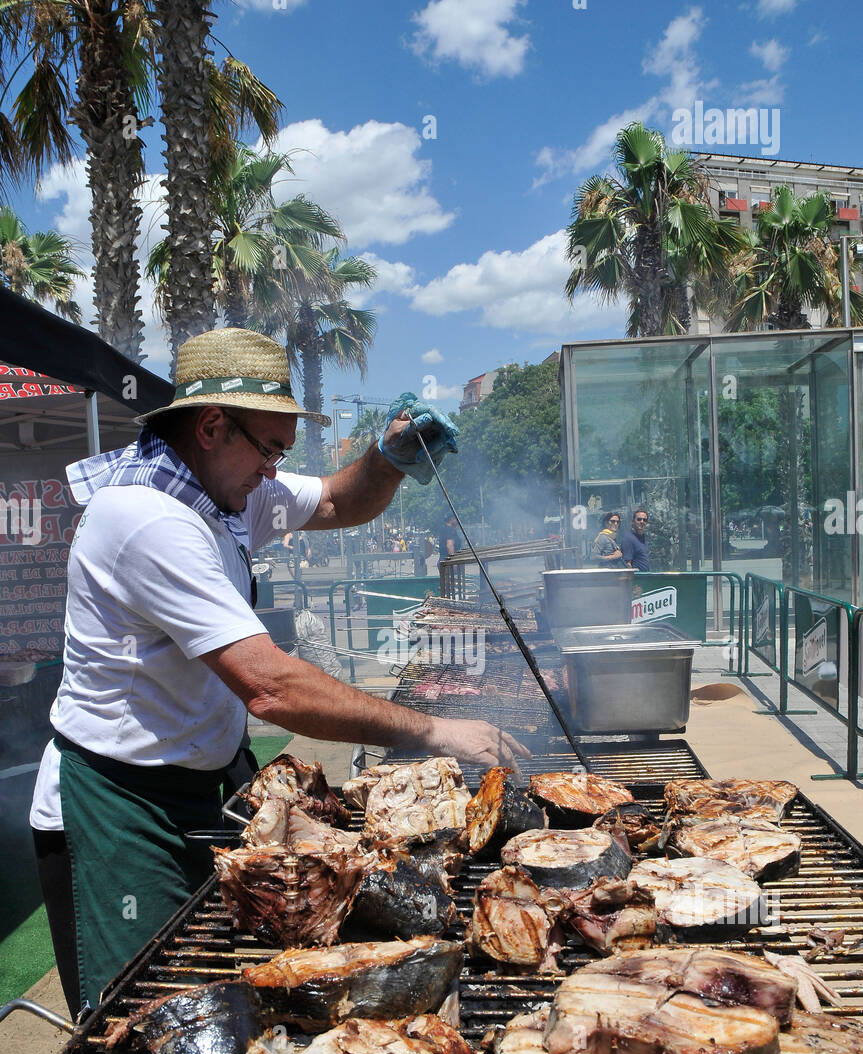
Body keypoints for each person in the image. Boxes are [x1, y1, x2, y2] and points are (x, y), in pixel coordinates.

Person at [29, 327, 528, 1016]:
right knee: (145, 1015)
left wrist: (385, 459)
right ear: (210, 426)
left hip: (200, 780)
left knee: (210, 981)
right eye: (268, 451)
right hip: (121, 802)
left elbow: (333, 501)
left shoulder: (224, 488)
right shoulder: (147, 519)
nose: (273, 472)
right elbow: (269, 685)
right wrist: (433, 728)